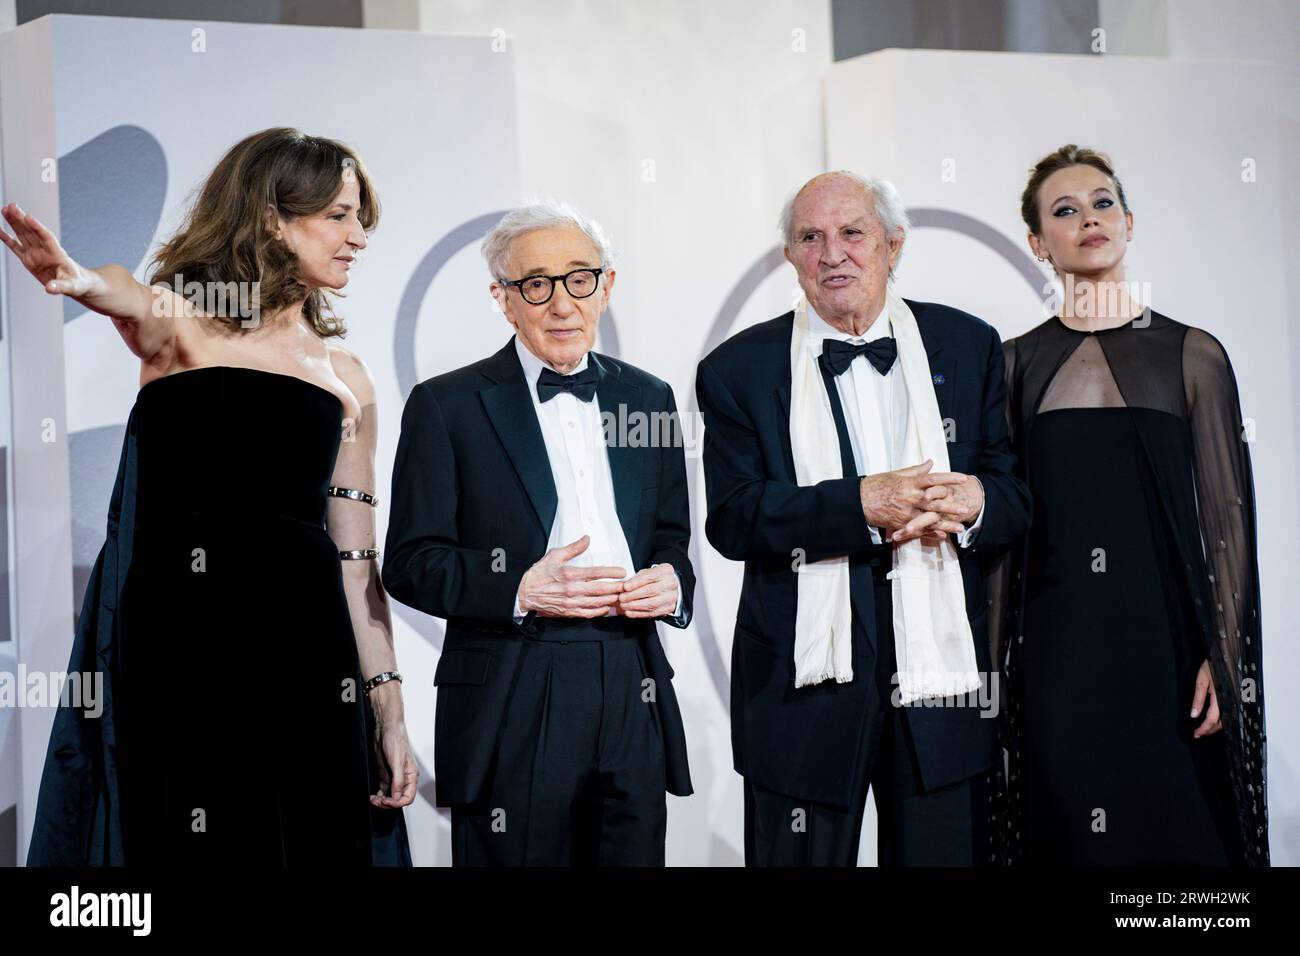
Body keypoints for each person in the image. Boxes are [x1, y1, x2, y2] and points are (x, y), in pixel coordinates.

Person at [5, 127, 415, 866]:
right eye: (338, 216)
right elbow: (124, 294)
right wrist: (79, 279)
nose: (357, 237)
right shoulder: (185, 325)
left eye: (361, 219)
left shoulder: (347, 377)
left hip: (305, 648)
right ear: (270, 218)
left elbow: (357, 564)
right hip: (182, 639)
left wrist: (386, 706)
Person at [697, 171, 1029, 866]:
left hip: (941, 680)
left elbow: (1013, 493)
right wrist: (856, 508)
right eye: (810, 238)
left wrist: (977, 505)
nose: (833, 253)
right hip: (801, 687)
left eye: (853, 233)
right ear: (790, 256)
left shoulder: (968, 345)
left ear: (892, 246)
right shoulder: (738, 369)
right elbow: (733, 519)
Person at [382, 201, 694, 866]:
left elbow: (672, 539)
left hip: (631, 673)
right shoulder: (448, 405)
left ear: (607, 286)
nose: (561, 304)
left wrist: (673, 582)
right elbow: (411, 562)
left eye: (580, 279)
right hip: (515, 675)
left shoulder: (650, 396)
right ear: (503, 298)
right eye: (536, 284)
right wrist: (519, 586)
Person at [990, 144, 1268, 866]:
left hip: (1169, 648)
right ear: (1036, 243)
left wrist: (1225, 651)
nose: (1089, 218)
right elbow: (1003, 523)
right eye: (1065, 209)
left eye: (1103, 202)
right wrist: (993, 666)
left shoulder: (1192, 355)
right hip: (1057, 650)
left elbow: (1227, 518)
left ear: (1130, 222)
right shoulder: (1014, 364)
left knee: (1180, 836)